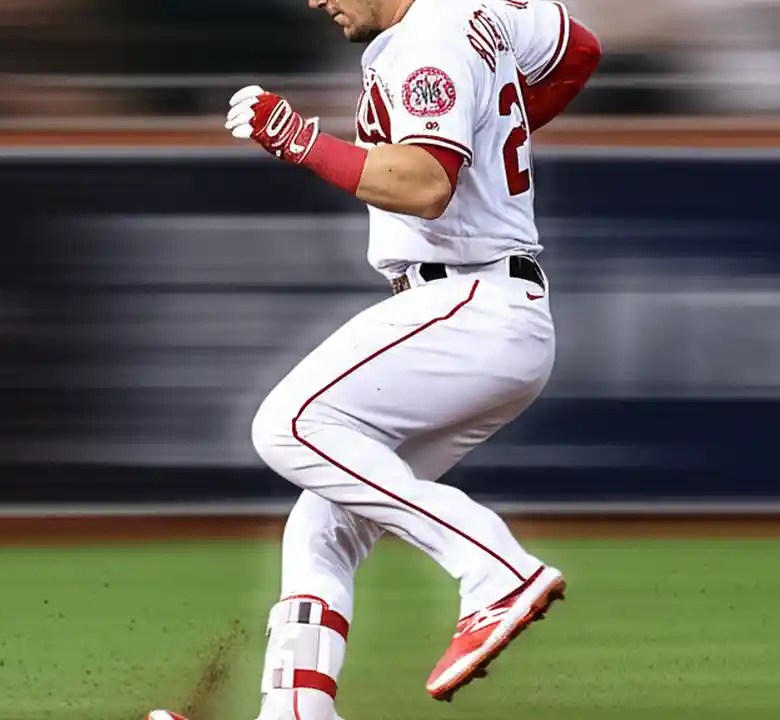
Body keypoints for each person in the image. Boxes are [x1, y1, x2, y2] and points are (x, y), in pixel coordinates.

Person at [151, 1, 600, 718]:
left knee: (287, 427)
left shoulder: (425, 41)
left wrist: (302, 141)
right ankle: (295, 710)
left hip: (466, 300)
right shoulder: (479, 12)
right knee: (322, 522)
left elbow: (424, 185)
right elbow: (577, 50)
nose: (314, 1)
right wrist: (484, 136)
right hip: (493, 310)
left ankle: (494, 568)